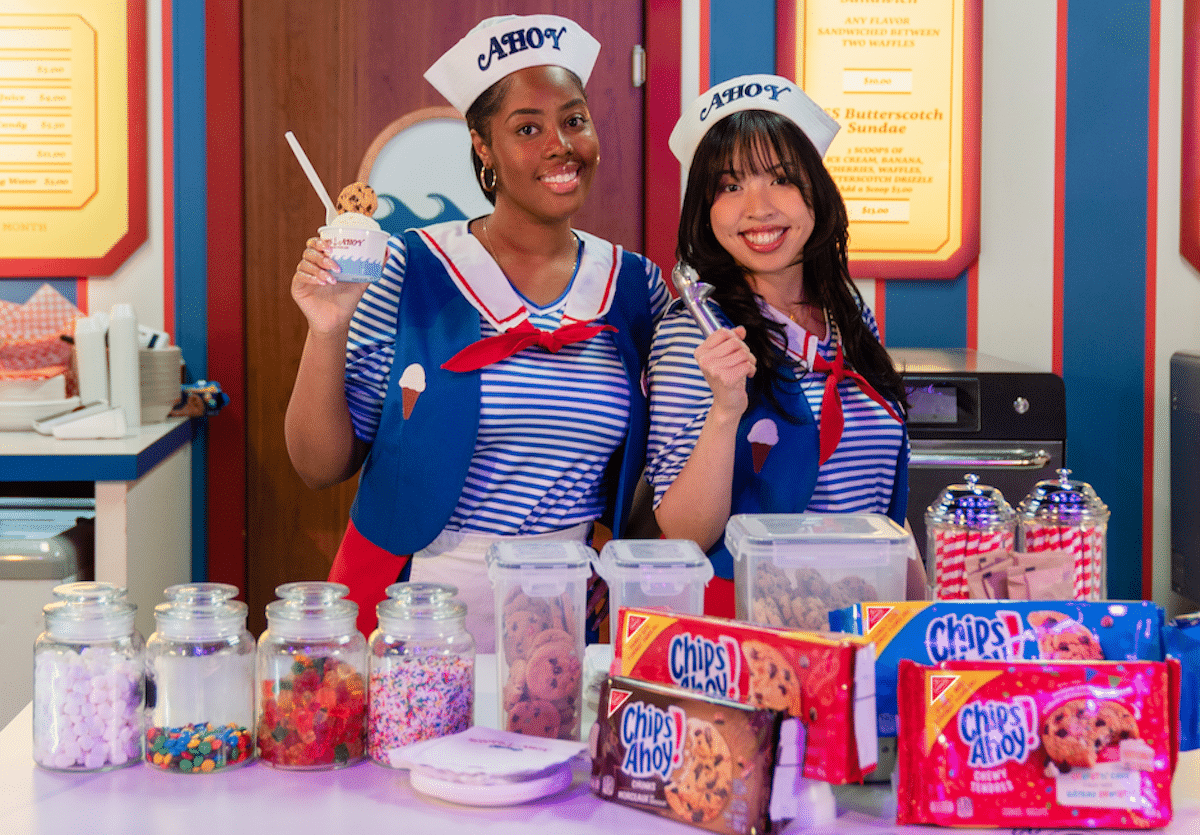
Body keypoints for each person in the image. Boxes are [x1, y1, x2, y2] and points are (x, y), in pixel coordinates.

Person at [285, 14, 668, 648]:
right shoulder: (411, 267)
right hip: (414, 600)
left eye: (574, 120)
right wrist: (325, 328)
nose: (559, 145)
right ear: (482, 146)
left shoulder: (634, 289)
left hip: (564, 610)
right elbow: (319, 464)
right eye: (527, 128)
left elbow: (652, 474)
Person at [646, 74, 920, 614]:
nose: (758, 207)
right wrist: (726, 410)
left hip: (862, 614)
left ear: (816, 190)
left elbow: (881, 510)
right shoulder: (697, 333)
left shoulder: (849, 312)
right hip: (750, 627)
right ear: (706, 211)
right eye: (729, 186)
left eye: (780, 179)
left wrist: (919, 614)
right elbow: (682, 533)